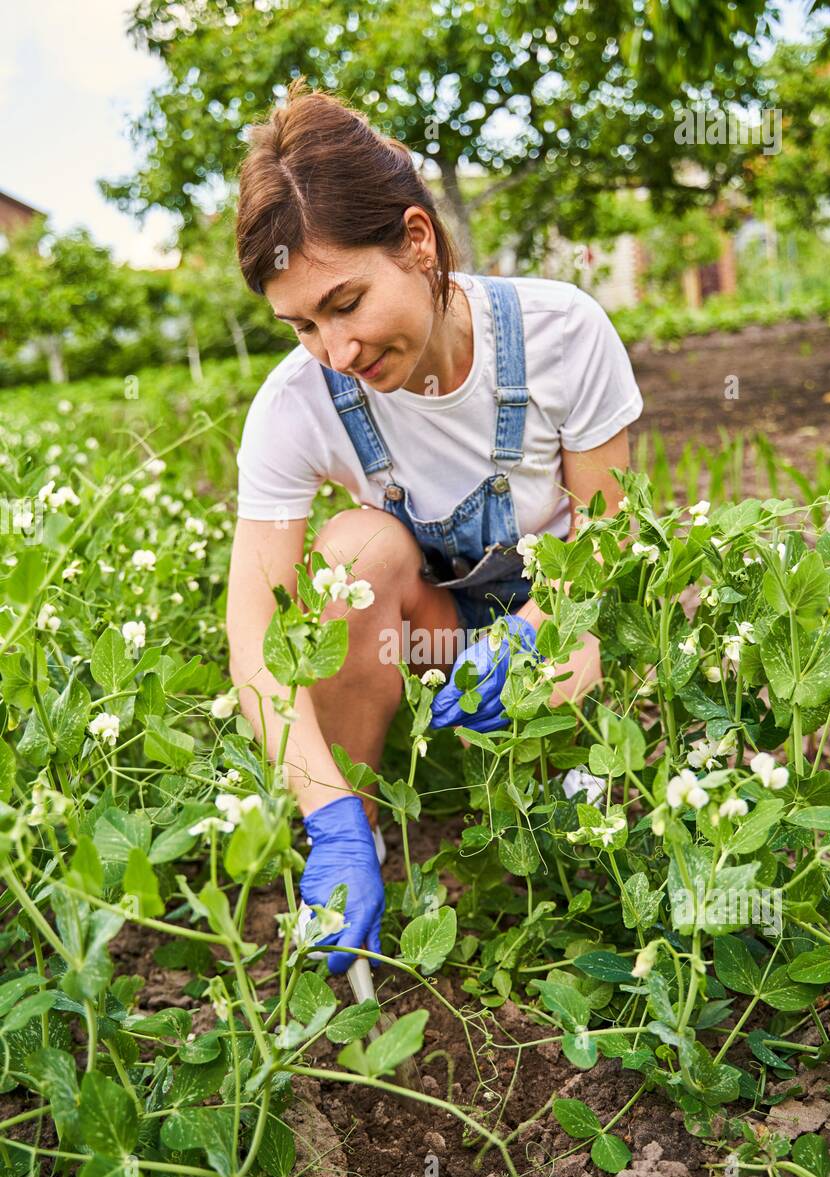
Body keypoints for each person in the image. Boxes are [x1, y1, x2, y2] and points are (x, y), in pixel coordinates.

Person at [226, 77, 643, 974]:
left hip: (561, 623)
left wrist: (539, 632)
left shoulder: (561, 332)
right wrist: (324, 812)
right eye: (299, 325)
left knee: (603, 633)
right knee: (353, 552)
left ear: (417, 241)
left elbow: (613, 542)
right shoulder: (296, 404)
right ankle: (365, 835)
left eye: (344, 303)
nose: (335, 353)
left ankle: (580, 792)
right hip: (428, 637)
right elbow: (252, 636)